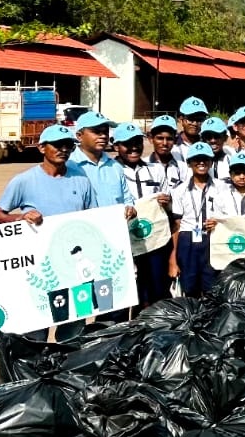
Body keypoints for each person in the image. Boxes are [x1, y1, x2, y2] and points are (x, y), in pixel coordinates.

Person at [0, 125, 103, 339]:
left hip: (75, 271)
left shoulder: (81, 179)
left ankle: (66, 370)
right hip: (40, 271)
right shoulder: (23, 180)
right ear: (42, 148)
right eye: (57, 145)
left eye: (68, 145)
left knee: (73, 332)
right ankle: (35, 370)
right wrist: (19, 217)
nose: (63, 149)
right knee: (36, 333)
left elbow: (93, 220)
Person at [112, 122, 173, 308]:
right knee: (128, 293)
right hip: (124, 241)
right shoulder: (112, 172)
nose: (133, 148)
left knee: (157, 288)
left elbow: (168, 205)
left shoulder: (155, 169)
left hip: (154, 240)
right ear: (116, 146)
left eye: (137, 142)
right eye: (127, 143)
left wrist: (166, 203)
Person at [169, 144, 222, 296]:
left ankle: (210, 317)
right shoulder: (180, 190)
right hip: (188, 241)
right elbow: (177, 225)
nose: (201, 163)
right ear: (189, 163)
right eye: (196, 160)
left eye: (205, 159)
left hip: (212, 239)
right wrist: (173, 257)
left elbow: (227, 217)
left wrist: (218, 222)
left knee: (211, 286)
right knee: (189, 287)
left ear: (211, 162)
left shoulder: (221, 187)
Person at [69, 112, 133, 210]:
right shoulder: (69, 166)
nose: (103, 136)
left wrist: (129, 208)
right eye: (96, 132)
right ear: (79, 136)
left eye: (105, 132)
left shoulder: (115, 167)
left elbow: (127, 200)